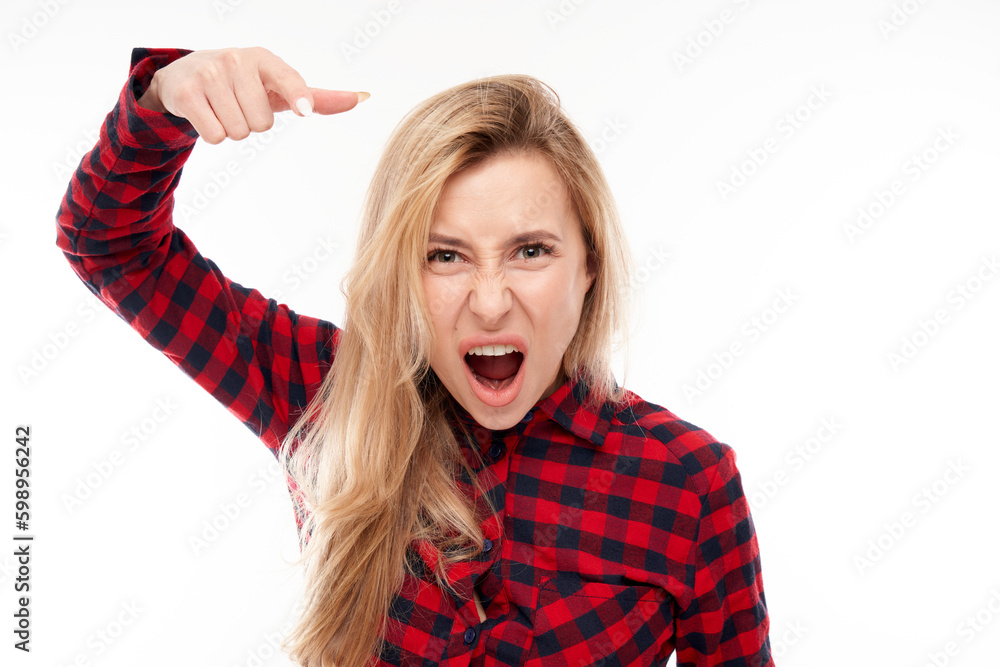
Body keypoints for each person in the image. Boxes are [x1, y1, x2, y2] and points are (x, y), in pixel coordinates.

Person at [56, 46, 772, 666]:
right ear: (400, 271)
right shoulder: (328, 392)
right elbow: (108, 245)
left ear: (589, 266)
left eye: (530, 251)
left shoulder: (690, 482)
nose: (489, 302)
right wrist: (164, 101)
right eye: (444, 255)